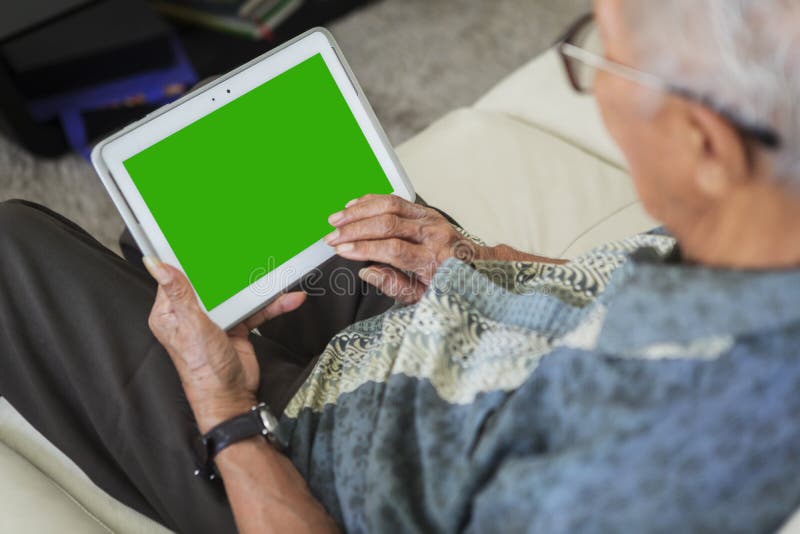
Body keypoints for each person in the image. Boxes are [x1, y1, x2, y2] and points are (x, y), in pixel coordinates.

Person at [2, 0, 800, 531]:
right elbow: (605, 291)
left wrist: (225, 407)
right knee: (202, 224)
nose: (591, 86)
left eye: (603, 61)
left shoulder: (625, 474)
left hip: (305, 464)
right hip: (453, 328)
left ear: (705, 144)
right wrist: (475, 260)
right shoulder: (764, 252)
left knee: (15, 247)